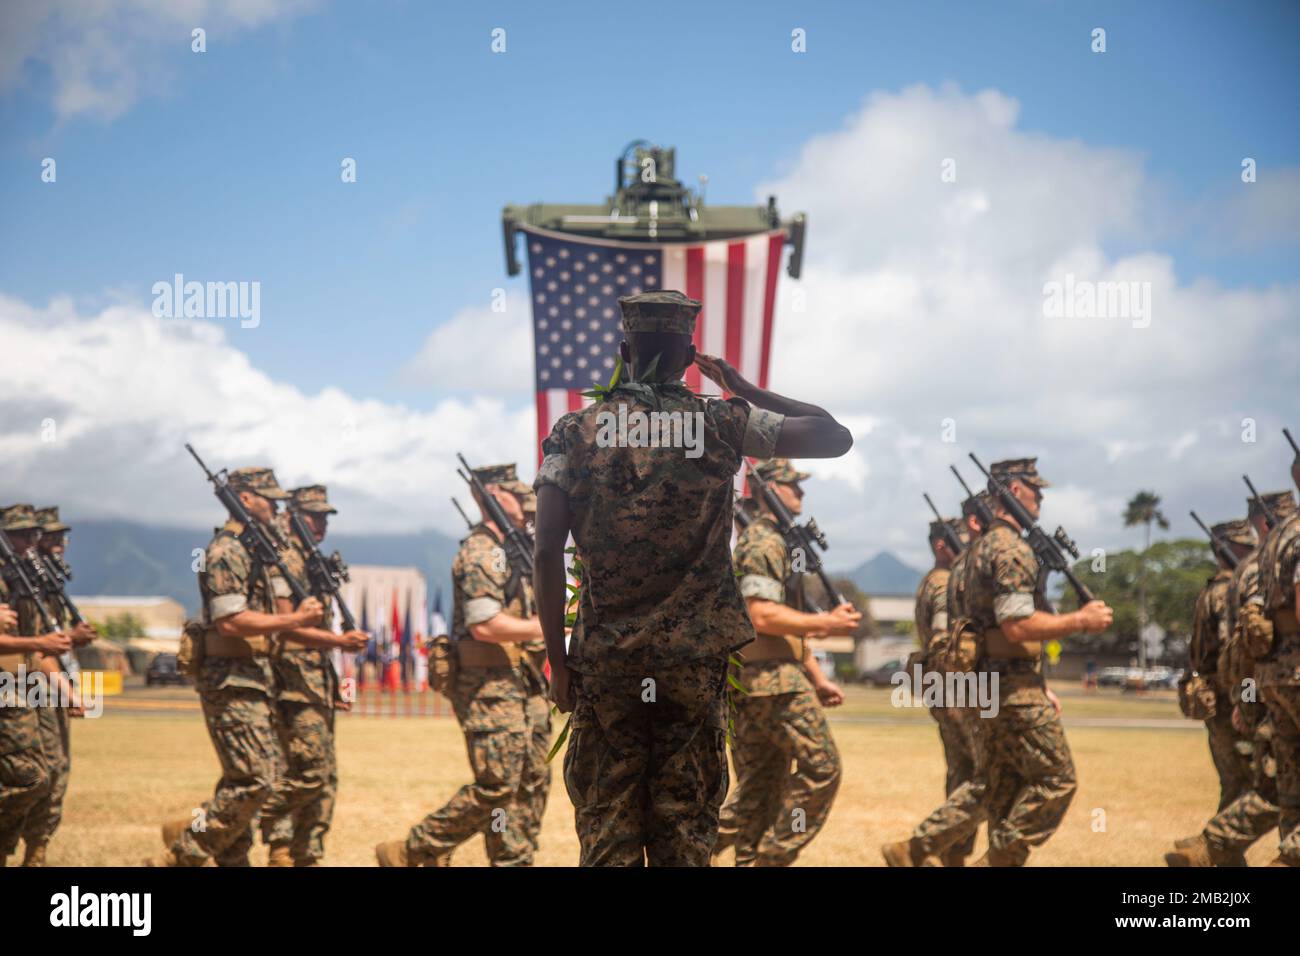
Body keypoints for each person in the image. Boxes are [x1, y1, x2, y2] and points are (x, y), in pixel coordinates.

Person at [533, 289, 853, 866]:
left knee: (608, 827)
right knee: (686, 831)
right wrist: (741, 386)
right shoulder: (722, 422)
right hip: (693, 667)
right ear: (690, 356)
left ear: (625, 351)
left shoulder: (573, 433)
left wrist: (558, 662)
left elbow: (546, 550)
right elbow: (833, 435)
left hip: (606, 664)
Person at [376, 464, 551, 866]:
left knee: (532, 781)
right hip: (488, 685)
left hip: (523, 683)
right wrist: (542, 626)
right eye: (514, 493)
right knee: (498, 787)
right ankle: (415, 850)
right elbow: (485, 623)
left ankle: (516, 860)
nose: (525, 504)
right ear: (488, 494)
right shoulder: (480, 552)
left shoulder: (510, 551)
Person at [148, 467, 323, 867]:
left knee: (246, 778)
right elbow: (231, 620)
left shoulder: (250, 549)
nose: (277, 507)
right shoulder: (227, 550)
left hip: (250, 676)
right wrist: (294, 621)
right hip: (229, 679)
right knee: (257, 779)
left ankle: (230, 857)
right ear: (245, 499)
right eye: (269, 499)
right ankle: (183, 855)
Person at [965, 459, 1112, 866]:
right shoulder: (1011, 548)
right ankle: (995, 859)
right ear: (1014, 491)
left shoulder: (974, 551)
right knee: (1057, 780)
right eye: (1036, 490)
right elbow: (1016, 625)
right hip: (1013, 688)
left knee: (1004, 791)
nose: (1041, 498)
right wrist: (1080, 620)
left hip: (985, 687)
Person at [712, 459, 857, 866]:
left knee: (759, 793)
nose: (802, 494)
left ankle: (693, 853)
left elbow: (785, 626)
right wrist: (827, 622)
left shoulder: (777, 541)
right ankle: (769, 859)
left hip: (768, 679)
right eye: (795, 486)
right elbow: (761, 615)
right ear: (770, 489)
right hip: (770, 683)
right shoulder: (763, 542)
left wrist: (816, 677)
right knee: (823, 769)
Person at [259, 485, 368, 866]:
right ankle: (242, 823)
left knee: (322, 775)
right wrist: (340, 641)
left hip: (315, 679)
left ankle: (303, 852)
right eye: (313, 516)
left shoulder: (310, 559)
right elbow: (286, 628)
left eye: (324, 517)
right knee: (310, 771)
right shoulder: (284, 558)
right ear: (291, 516)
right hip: (291, 681)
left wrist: (334, 679)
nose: (320, 524)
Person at [882, 492, 992, 867]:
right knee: (981, 773)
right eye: (960, 539)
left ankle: (951, 853)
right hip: (956, 687)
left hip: (946, 689)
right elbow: (949, 645)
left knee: (962, 773)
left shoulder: (935, 579)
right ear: (942, 544)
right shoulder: (945, 582)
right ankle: (936, 848)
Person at [18, 506, 96, 866]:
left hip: (47, 684)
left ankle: (38, 851)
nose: (57, 545)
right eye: (48, 538)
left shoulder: (45, 583)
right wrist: (69, 690)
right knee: (38, 773)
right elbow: (36, 643)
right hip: (25, 687)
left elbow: (48, 642)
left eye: (58, 538)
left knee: (56, 772)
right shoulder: (18, 582)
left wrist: (72, 641)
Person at [0, 504, 72, 866]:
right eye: (23, 533)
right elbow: (31, 640)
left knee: (48, 772)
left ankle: (31, 851)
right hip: (9, 684)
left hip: (25, 683)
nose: (34, 541)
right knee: (30, 776)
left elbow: (36, 638)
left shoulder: (23, 576)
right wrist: (41, 644)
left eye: (36, 534)